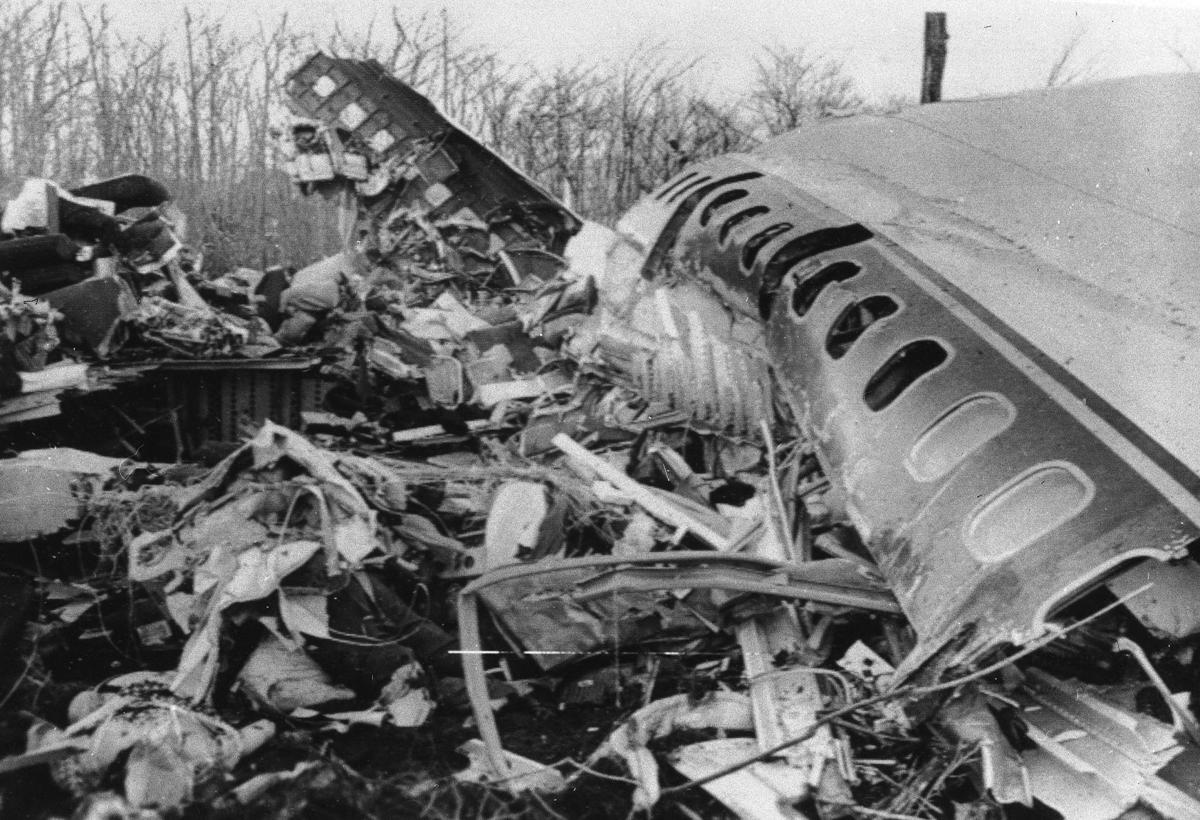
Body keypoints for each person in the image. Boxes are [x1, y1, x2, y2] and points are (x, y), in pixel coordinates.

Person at [274, 252, 356, 345]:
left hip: (301, 314)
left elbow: (287, 294)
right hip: (304, 316)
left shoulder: (326, 287)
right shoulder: (332, 293)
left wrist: (282, 311)